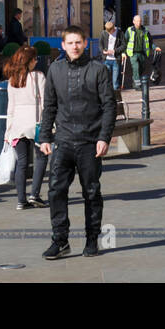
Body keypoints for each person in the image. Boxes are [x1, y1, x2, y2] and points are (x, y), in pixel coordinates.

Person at [40, 25, 116, 260]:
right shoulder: (55, 69)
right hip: (63, 141)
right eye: (70, 43)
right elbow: (49, 105)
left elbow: (109, 106)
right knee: (55, 191)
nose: (74, 46)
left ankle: (92, 239)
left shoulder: (98, 69)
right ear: (62, 45)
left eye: (78, 42)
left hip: (89, 142)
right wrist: (44, 136)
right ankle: (60, 240)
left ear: (85, 44)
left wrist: (104, 137)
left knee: (91, 192)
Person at [2, 47, 47, 209]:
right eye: (34, 59)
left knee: (21, 162)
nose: (36, 61)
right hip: (35, 123)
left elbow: (10, 108)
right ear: (28, 61)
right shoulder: (38, 76)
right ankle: (34, 194)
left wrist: (8, 131)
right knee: (41, 158)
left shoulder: (12, 80)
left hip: (17, 125)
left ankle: (21, 200)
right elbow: (45, 102)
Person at [122, 14, 156, 88]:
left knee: (141, 69)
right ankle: (138, 85)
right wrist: (123, 53)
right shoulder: (129, 30)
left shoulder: (145, 30)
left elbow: (150, 42)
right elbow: (124, 42)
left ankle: (135, 82)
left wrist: (155, 48)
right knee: (136, 68)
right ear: (133, 21)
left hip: (142, 53)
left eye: (140, 21)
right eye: (137, 21)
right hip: (133, 53)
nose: (139, 23)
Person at [101, 21, 121, 90]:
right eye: (108, 32)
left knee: (115, 81)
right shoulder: (103, 33)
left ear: (113, 29)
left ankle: (116, 98)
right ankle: (108, 96)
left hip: (116, 59)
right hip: (106, 59)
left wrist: (115, 51)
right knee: (106, 79)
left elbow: (124, 45)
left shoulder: (119, 33)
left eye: (110, 32)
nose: (109, 33)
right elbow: (100, 45)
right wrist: (103, 51)